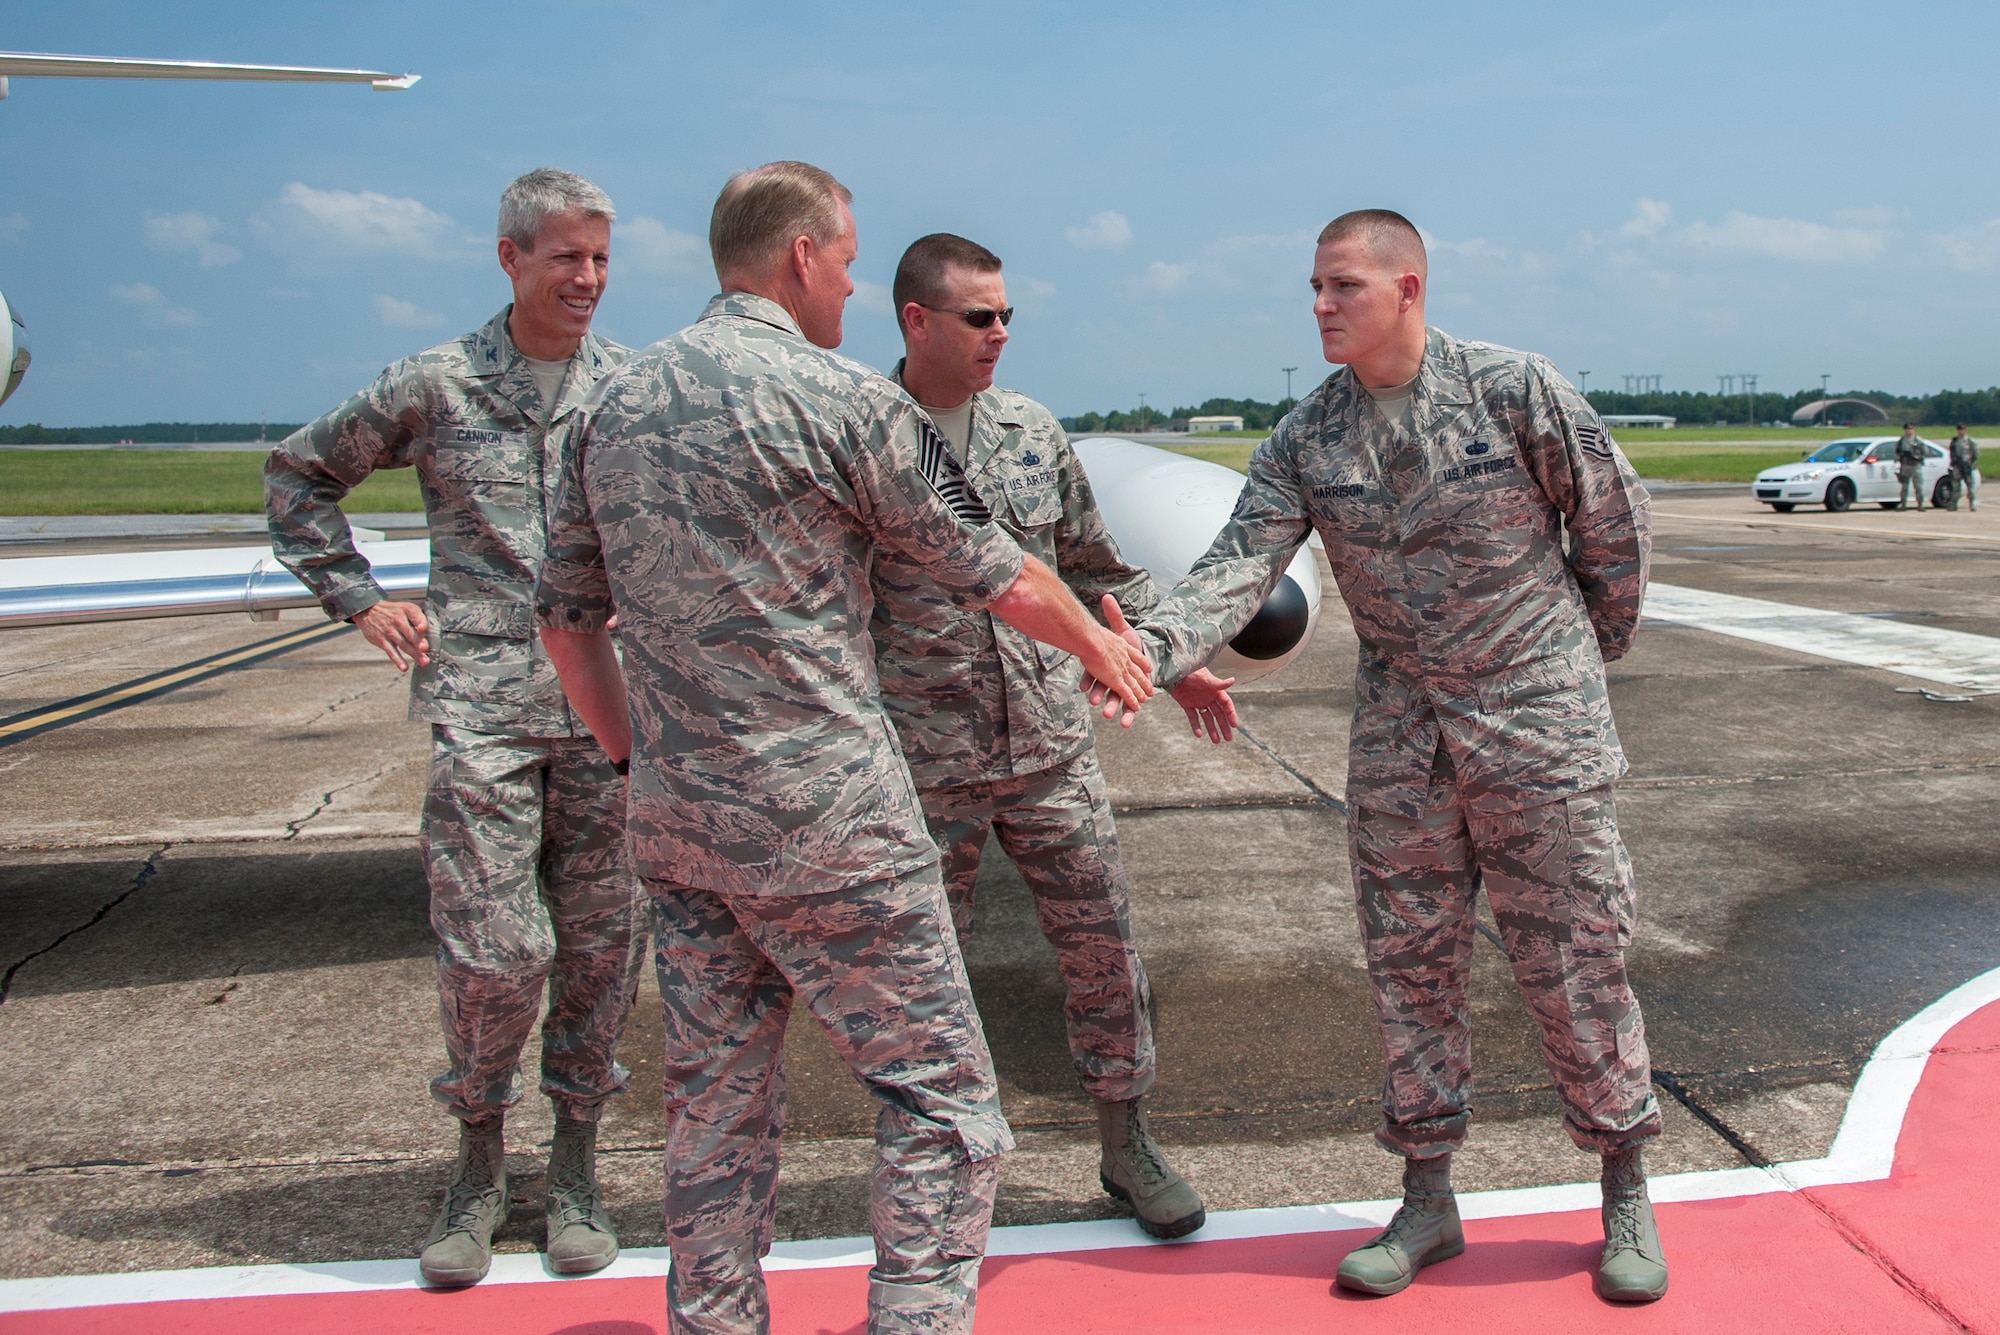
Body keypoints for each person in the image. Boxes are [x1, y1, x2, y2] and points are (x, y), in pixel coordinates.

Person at [533, 162, 1155, 1335]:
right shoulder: (844, 401)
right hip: (835, 828)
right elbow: (998, 569)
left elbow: (567, 632)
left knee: (713, 1107)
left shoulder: (602, 407)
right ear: (804, 258)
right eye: (850, 260)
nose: (852, 285)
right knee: (942, 1106)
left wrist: (633, 766)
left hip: (681, 831)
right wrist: (1101, 649)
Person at [1115, 209, 1667, 1304]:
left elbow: (1613, 527)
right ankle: (1425, 1200)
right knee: (1409, 969)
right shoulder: (1307, 436)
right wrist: (1143, 649)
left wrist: (1567, 665)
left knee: (1575, 958)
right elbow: (1233, 568)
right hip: (1402, 743)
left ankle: (1622, 1182)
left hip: (1534, 731)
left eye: (1341, 287)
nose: (1319, 307)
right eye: (1313, 289)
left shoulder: (1513, 391)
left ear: (1406, 288)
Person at [264, 168, 644, 1286]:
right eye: (565, 256)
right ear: (510, 257)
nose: (586, 279)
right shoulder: (436, 383)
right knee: (496, 953)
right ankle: (478, 1161)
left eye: (601, 259)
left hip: (606, 714)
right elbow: (297, 478)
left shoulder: (629, 387)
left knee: (598, 954)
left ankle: (574, 1167)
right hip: (482, 710)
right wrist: (359, 597)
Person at [871, 233, 1236, 1241]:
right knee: (917, 978)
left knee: (1104, 952)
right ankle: (935, 1163)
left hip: (1044, 749)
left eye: (1005, 316)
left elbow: (1089, 561)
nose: (998, 334)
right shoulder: (861, 433)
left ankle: (1126, 1144)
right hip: (919, 761)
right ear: (915, 321)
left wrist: (1176, 658)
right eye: (976, 317)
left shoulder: (1030, 431)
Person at [1895, 423, 1927, 510]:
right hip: (1905, 466)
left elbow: (1925, 452)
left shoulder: (1918, 440)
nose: (1909, 430)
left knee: (1918, 486)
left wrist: (1917, 457)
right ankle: (1903, 504)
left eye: (1910, 428)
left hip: (1916, 466)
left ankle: (1920, 504)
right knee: (1904, 487)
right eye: (1907, 429)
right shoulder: (1901, 441)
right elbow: (1897, 452)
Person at [1948, 424, 1978, 511]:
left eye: (1963, 429)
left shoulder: (1970, 441)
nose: (1961, 431)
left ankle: (1972, 504)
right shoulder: (1954, 441)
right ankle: (1954, 504)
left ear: (1966, 430)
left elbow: (1975, 454)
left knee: (1970, 486)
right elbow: (1951, 453)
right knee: (1955, 486)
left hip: (1967, 466)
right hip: (1957, 466)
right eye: (1959, 430)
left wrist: (1971, 464)